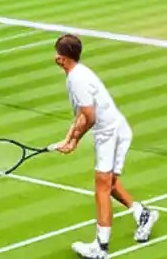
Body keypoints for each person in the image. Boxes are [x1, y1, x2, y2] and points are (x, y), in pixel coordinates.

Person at [52, 34, 158, 259]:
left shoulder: (76, 79)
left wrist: (75, 141)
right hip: (118, 127)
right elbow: (81, 115)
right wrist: (68, 138)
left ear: (62, 58)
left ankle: (101, 247)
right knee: (109, 183)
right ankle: (143, 214)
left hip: (108, 133)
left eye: (57, 54)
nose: (55, 57)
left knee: (101, 185)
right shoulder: (79, 73)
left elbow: (89, 116)